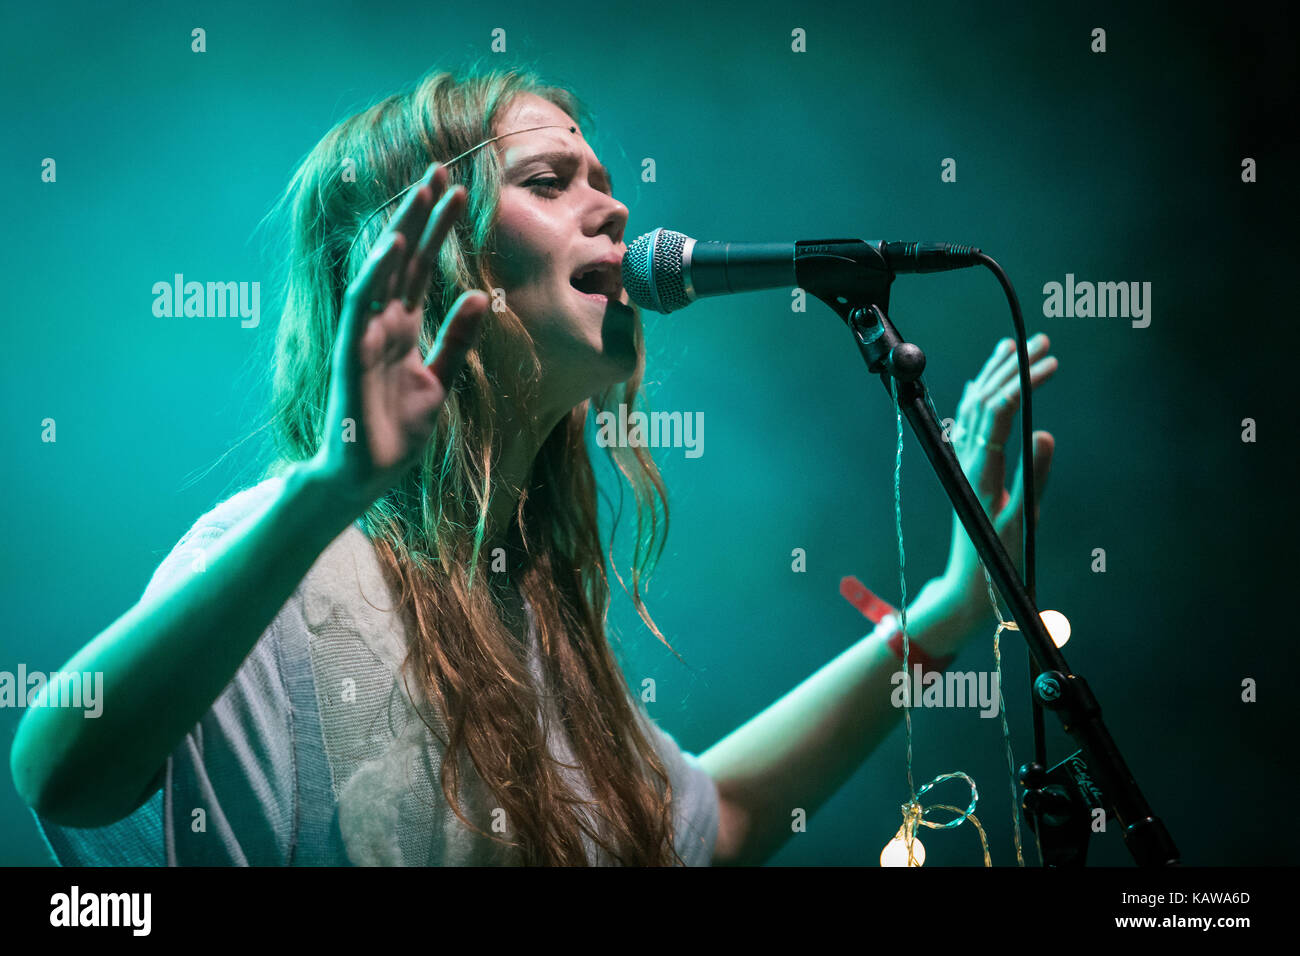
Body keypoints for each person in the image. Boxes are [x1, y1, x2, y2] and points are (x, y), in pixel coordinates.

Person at [10, 65, 1059, 866]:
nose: (614, 211)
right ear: (429, 255)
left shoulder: (530, 608)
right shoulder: (289, 557)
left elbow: (718, 820)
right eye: (550, 183)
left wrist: (951, 608)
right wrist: (327, 489)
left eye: (605, 183)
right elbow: (60, 770)